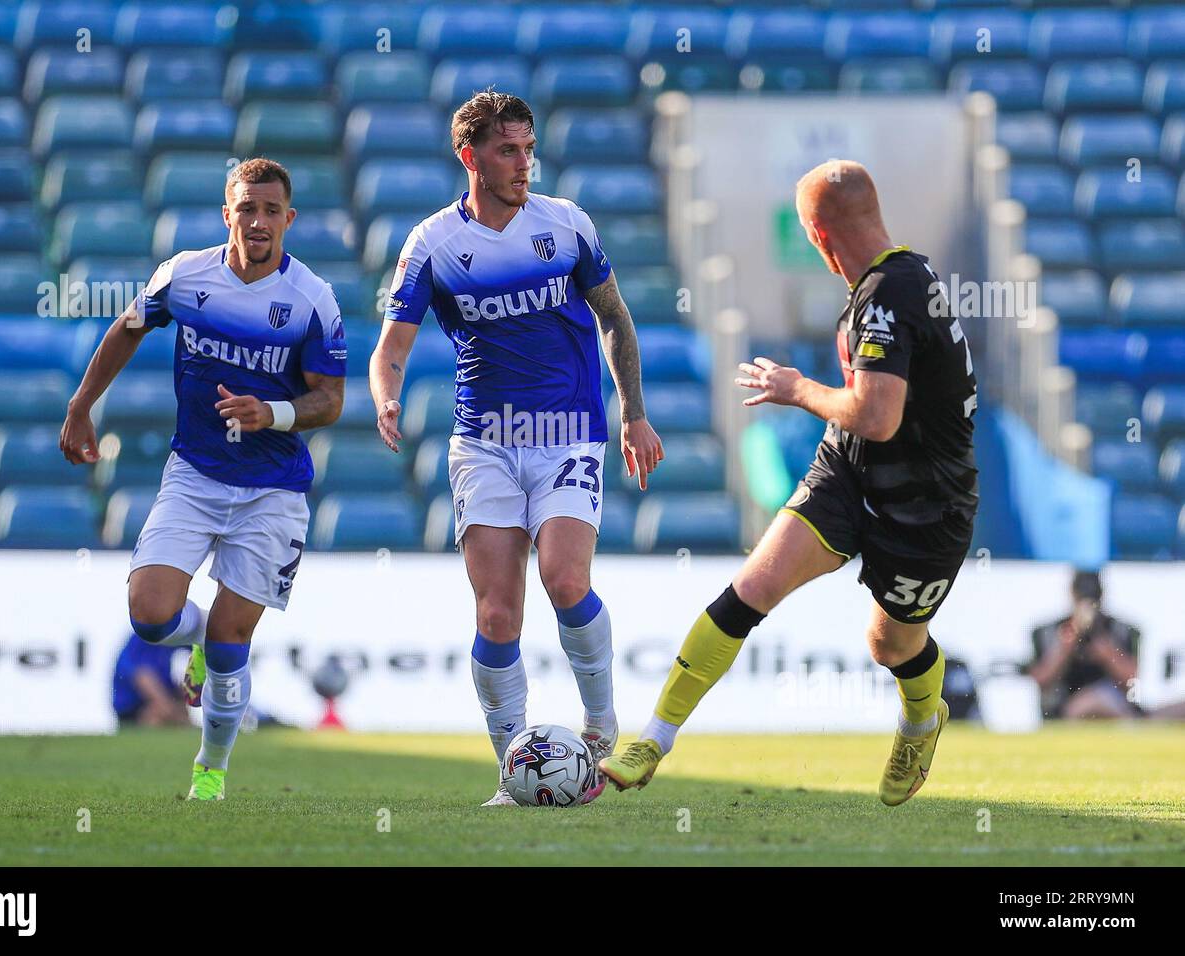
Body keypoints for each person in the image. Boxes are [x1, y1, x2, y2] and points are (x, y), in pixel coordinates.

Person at [601, 159, 980, 806]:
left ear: (816, 234)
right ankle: (653, 739)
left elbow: (878, 416)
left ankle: (922, 718)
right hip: (848, 474)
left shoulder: (889, 293)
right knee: (752, 587)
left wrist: (796, 388)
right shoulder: (892, 280)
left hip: (927, 504)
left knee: (889, 644)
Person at [369, 91, 665, 806]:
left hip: (568, 434)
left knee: (565, 580)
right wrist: (386, 395)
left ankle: (600, 723)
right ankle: (516, 767)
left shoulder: (565, 226)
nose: (524, 163)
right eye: (508, 150)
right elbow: (390, 349)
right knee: (498, 615)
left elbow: (616, 321)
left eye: (529, 149)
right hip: (485, 443)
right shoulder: (434, 244)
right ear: (469, 157)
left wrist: (633, 414)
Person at [59, 158, 347, 800]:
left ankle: (210, 771)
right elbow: (127, 328)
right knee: (149, 615)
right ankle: (189, 636)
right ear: (228, 214)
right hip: (194, 474)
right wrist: (82, 405)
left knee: (229, 643)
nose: (259, 221)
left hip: (273, 491)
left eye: (272, 210)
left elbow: (330, 400)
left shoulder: (311, 300)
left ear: (288, 219)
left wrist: (270, 413)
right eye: (247, 208)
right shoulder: (186, 276)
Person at [1029, 569, 1141, 719]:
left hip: (1114, 704)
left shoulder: (1120, 630)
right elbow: (1040, 680)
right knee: (1087, 704)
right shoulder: (1049, 632)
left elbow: (1132, 681)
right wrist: (1066, 646)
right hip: (1065, 707)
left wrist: (1108, 652)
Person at [112, 632, 188, 726]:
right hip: (133, 708)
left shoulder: (173, 636)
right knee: (157, 716)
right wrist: (167, 706)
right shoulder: (142, 637)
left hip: (163, 697)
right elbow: (141, 676)